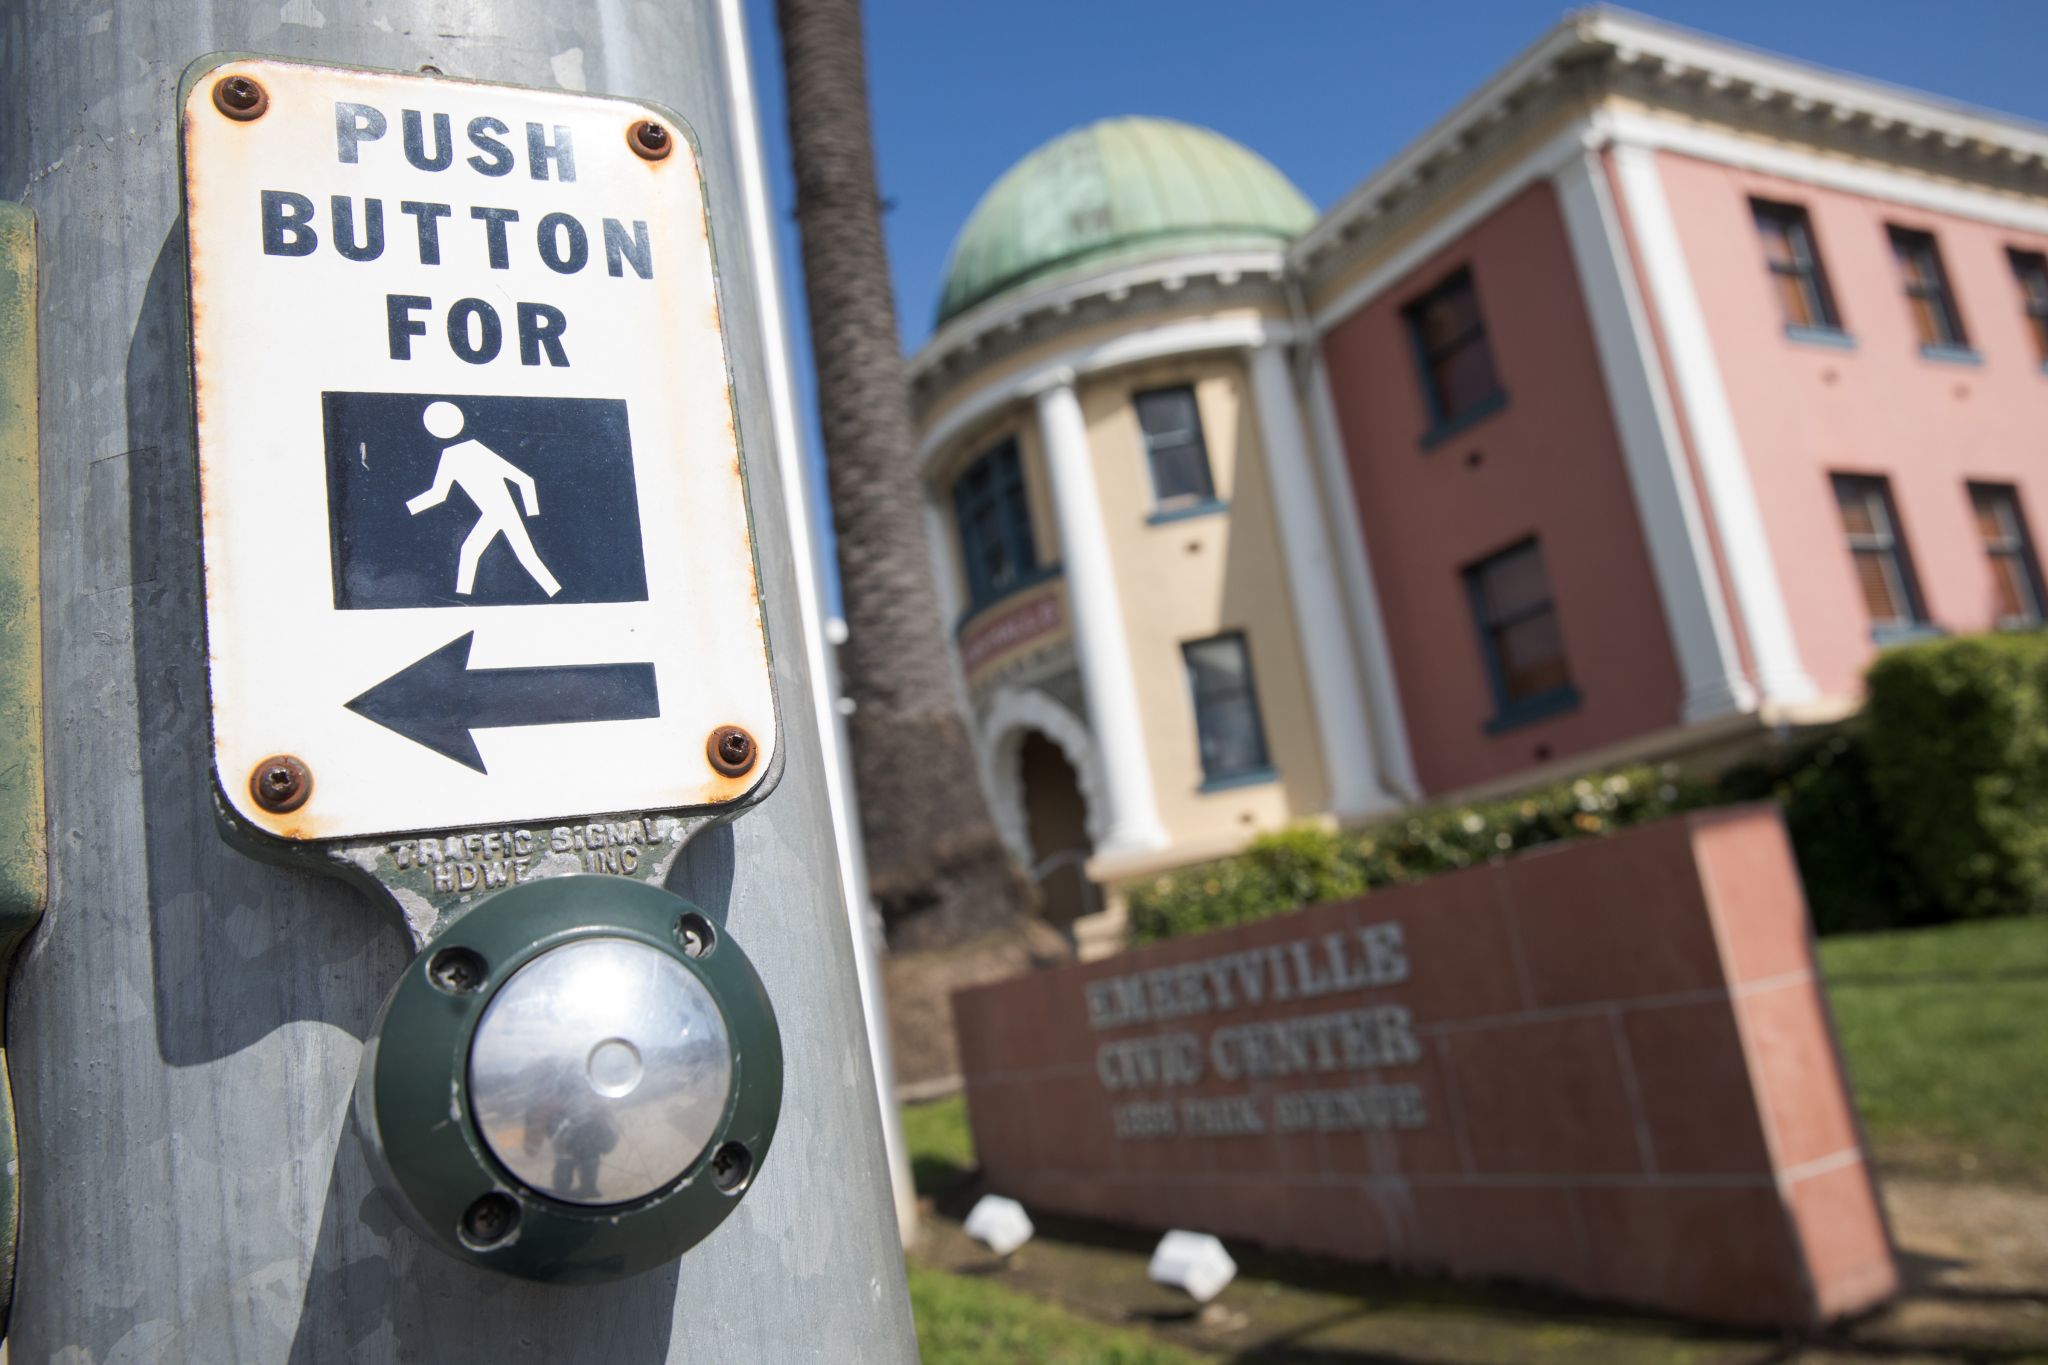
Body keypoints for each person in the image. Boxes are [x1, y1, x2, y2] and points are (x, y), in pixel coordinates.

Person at [406, 400, 562, 597]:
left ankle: (555, 592)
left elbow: (524, 480)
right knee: (476, 551)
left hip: (502, 511)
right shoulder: (453, 455)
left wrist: (533, 514)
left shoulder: (469, 451)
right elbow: (439, 494)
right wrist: (409, 508)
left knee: (520, 555)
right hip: (494, 512)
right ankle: (464, 597)